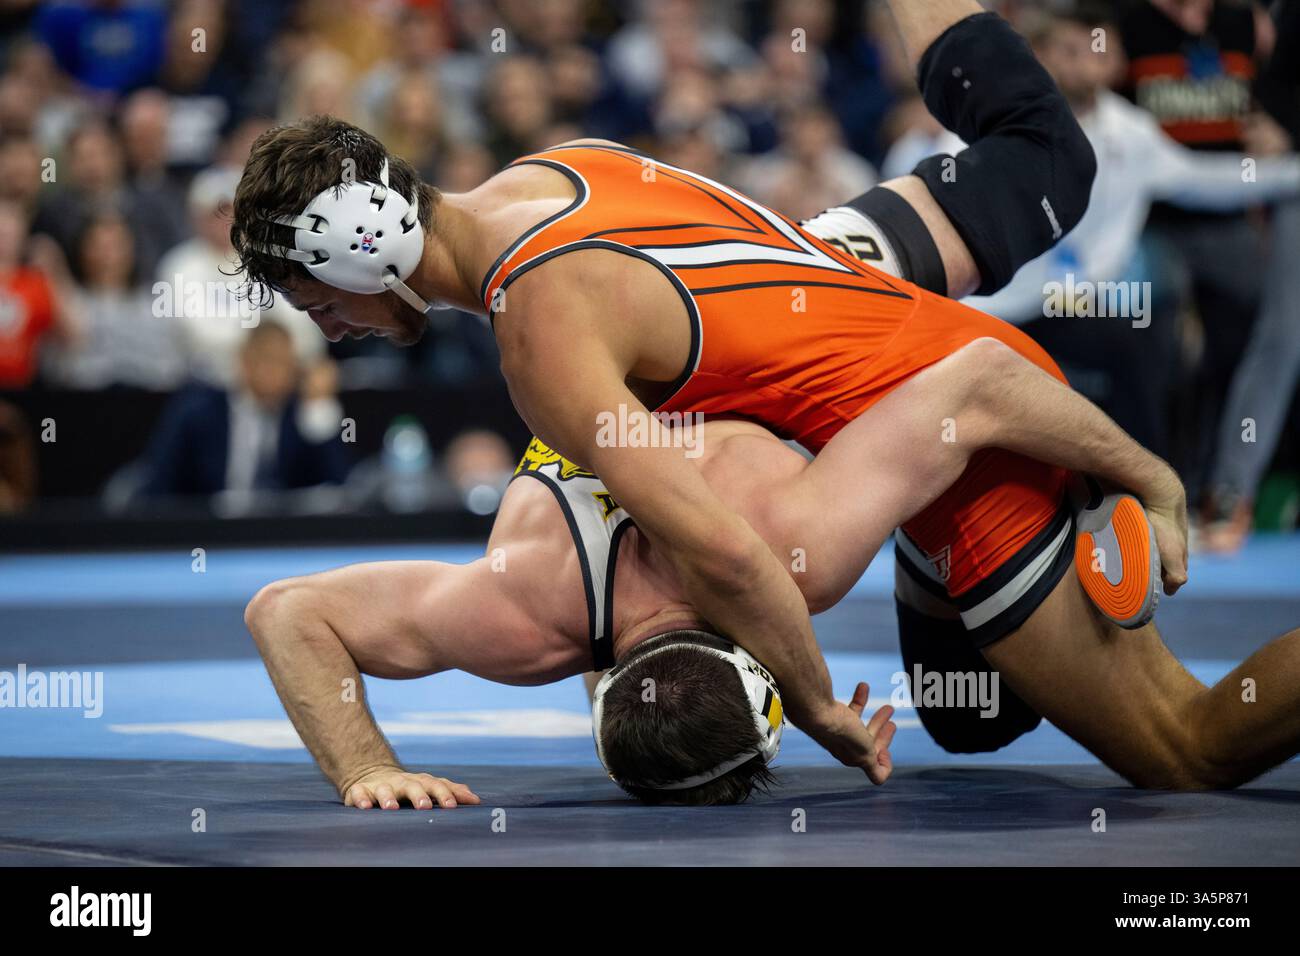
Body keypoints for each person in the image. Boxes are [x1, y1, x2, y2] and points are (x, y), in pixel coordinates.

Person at [233, 0, 1111, 776]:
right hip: (788, 282)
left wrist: (819, 706)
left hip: (796, 322)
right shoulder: (548, 173)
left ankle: (959, 530)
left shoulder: (542, 353)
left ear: (366, 254)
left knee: (973, 715)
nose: (324, 328)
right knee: (1051, 163)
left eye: (316, 302)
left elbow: (724, 554)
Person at [135, 320, 349, 500]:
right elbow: (159, 488)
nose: (276, 373)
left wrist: (319, 408)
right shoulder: (198, 413)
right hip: (209, 534)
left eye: (285, 363)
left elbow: (337, 488)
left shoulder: (301, 415)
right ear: (244, 361)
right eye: (268, 360)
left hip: (280, 537)